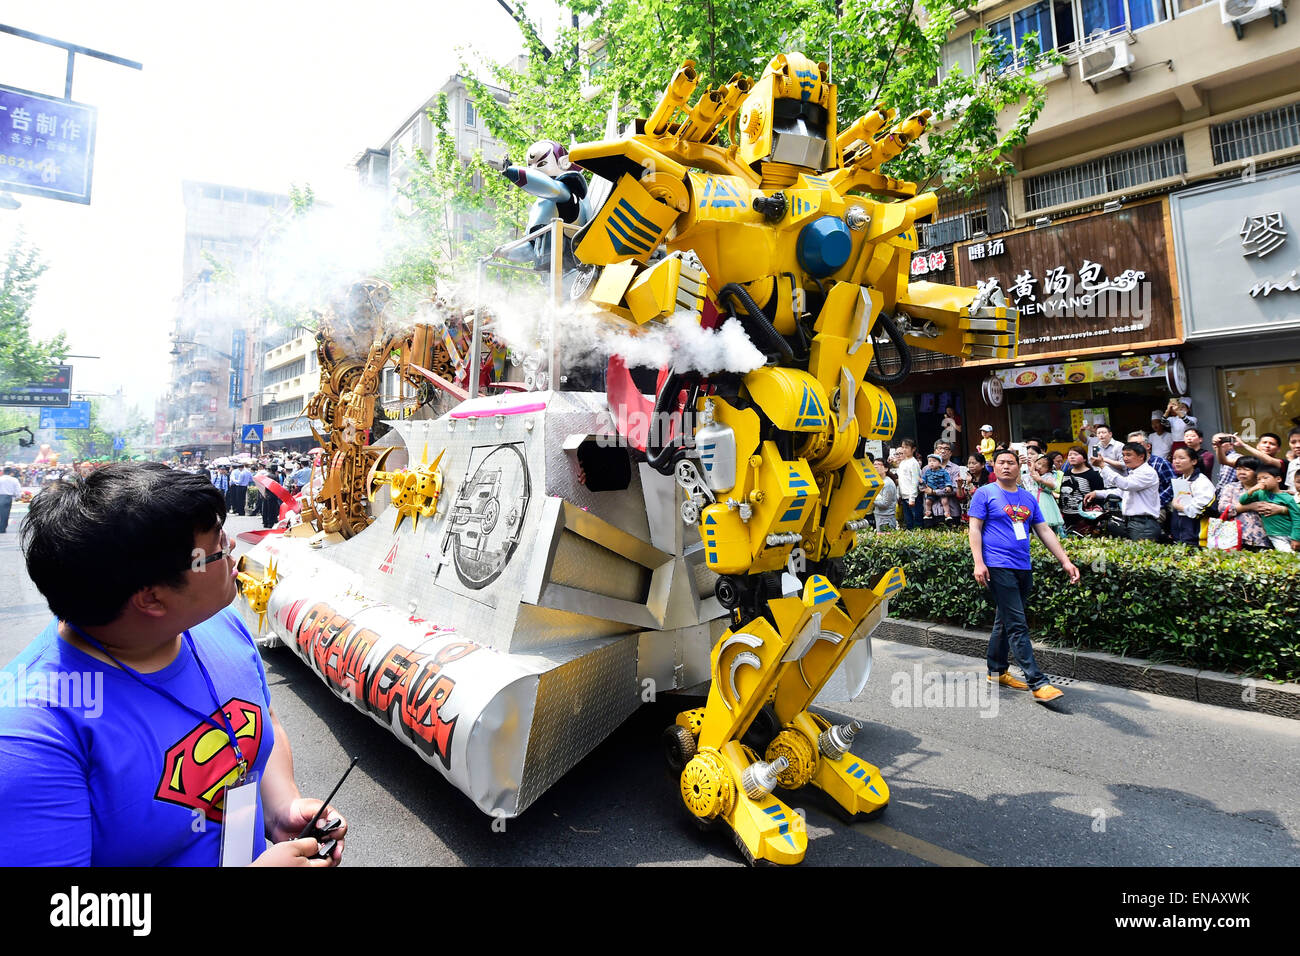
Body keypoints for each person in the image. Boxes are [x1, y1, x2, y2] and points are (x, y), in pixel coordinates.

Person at [0, 463, 348, 865]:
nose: (233, 547)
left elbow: (260, 716)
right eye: (217, 548)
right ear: (151, 599)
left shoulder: (216, 621)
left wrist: (281, 804)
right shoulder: (31, 735)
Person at [968, 449, 1080, 703]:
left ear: (1020, 467)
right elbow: (974, 528)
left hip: (1022, 567)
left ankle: (996, 672)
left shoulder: (1028, 498)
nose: (1006, 467)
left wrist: (1065, 560)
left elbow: (1043, 530)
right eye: (1001, 463)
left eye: (1011, 463)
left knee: (1004, 620)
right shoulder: (985, 493)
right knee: (1017, 623)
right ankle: (1038, 682)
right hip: (997, 566)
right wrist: (979, 562)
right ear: (994, 467)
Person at [1086, 441, 1162, 541]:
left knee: (1142, 555)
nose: (1125, 458)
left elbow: (1125, 485)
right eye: (1123, 455)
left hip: (1143, 524)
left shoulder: (1147, 472)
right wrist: (1097, 493)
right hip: (1134, 522)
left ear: (1141, 456)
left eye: (1129, 455)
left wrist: (1102, 466)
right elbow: (1122, 491)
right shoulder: (1135, 472)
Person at [1239, 463, 1300, 552]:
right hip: (1275, 535)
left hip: (1290, 532)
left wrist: (1296, 538)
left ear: (1278, 479)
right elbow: (1243, 501)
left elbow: (1297, 518)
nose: (1262, 481)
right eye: (1258, 479)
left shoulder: (1288, 498)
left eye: (1265, 478)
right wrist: (1252, 489)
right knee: (1288, 554)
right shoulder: (1260, 493)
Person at [1168, 447, 1216, 547]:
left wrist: (1180, 507)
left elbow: (1204, 507)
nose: (1176, 461)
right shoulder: (1180, 480)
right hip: (1180, 536)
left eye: (1181, 458)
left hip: (1198, 537)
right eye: (1174, 458)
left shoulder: (1201, 481)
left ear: (1193, 461)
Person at [1058, 445, 1104, 531]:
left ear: (1084, 459)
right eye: (1070, 455)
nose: (1072, 457)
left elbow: (1099, 496)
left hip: (1085, 517)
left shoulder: (1093, 475)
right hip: (1067, 515)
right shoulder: (1067, 473)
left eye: (1075, 454)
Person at [1028, 455, 1065, 538]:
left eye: (1044, 466)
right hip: (1033, 499)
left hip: (1044, 502)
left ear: (1048, 469)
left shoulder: (1048, 476)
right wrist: (1032, 466)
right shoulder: (1031, 473)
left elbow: (1053, 485)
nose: (1040, 467)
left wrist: (1041, 480)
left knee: (1044, 524)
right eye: (1038, 463)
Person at [893, 438, 923, 530]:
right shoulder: (902, 463)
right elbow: (901, 481)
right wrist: (899, 495)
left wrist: (912, 498)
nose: (904, 449)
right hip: (904, 497)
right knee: (908, 522)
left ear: (913, 449)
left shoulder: (914, 463)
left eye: (906, 447)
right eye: (902, 447)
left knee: (916, 521)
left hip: (913, 497)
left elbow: (915, 481)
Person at [921, 454, 952, 528]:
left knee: (944, 501)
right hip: (930, 489)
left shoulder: (944, 472)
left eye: (934, 461)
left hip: (941, 489)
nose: (931, 463)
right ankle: (928, 513)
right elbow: (924, 480)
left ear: (939, 463)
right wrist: (922, 481)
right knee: (928, 501)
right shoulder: (927, 472)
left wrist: (948, 486)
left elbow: (948, 480)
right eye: (929, 461)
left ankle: (947, 514)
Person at [871, 461, 898, 532]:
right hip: (879, 515)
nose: (875, 466)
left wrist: (871, 500)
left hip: (886, 518)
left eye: (878, 464)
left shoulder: (888, 483)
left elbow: (885, 503)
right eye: (874, 464)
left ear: (886, 469)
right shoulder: (878, 481)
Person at [0, 466, 21, 534]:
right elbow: (17, 489)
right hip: (7, 498)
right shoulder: (14, 480)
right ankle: (2, 528)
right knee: (5, 514)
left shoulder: (0, 479)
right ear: (11, 473)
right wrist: (18, 497)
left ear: (3, 472)